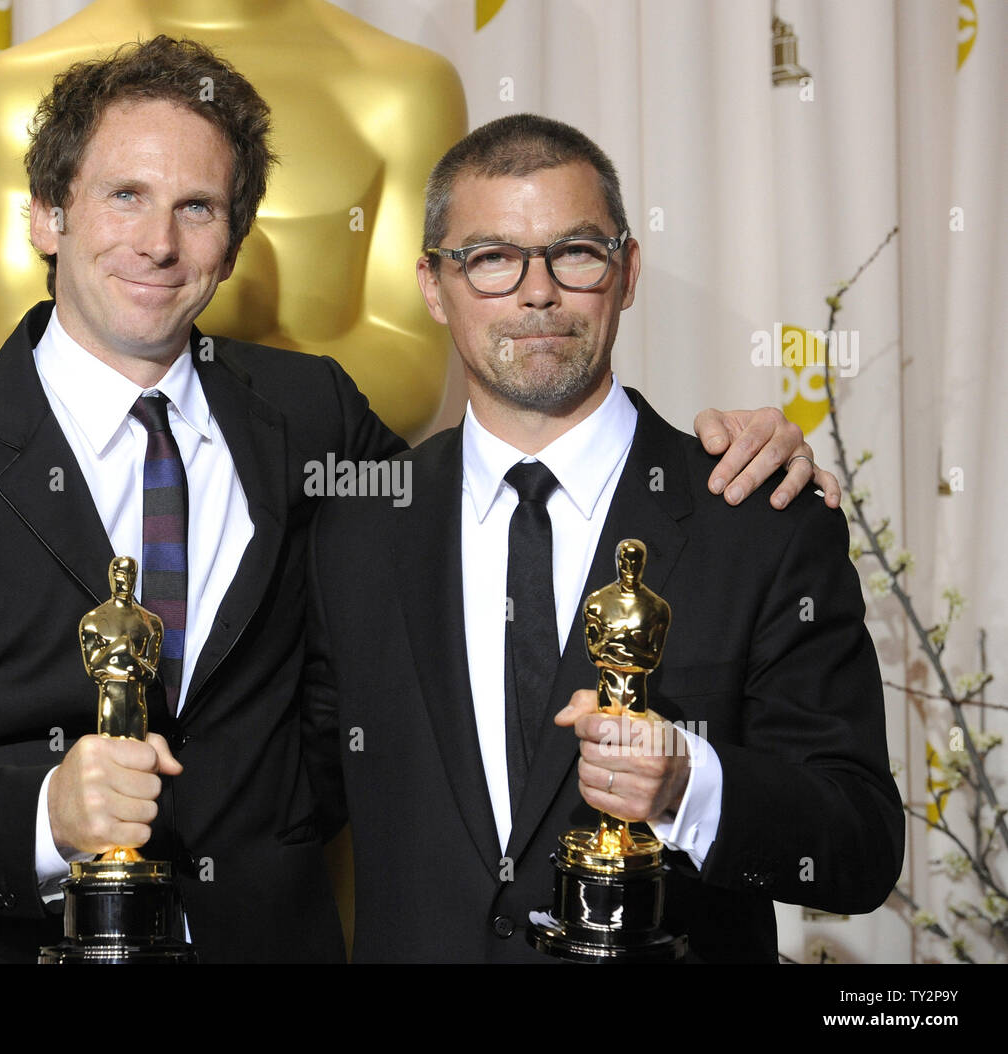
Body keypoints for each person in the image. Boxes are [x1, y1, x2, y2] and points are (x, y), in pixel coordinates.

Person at [0, 40, 835, 964]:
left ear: (235, 235)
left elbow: (506, 515)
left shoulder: (310, 417)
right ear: (45, 213)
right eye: (123, 195)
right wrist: (45, 813)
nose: (158, 242)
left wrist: (750, 453)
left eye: (198, 207)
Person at [304, 113, 904, 963]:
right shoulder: (355, 531)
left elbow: (861, 847)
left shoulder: (762, 516)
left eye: (575, 252)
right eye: (491, 258)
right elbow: (281, 810)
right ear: (434, 286)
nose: (537, 292)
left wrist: (691, 784)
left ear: (626, 272)